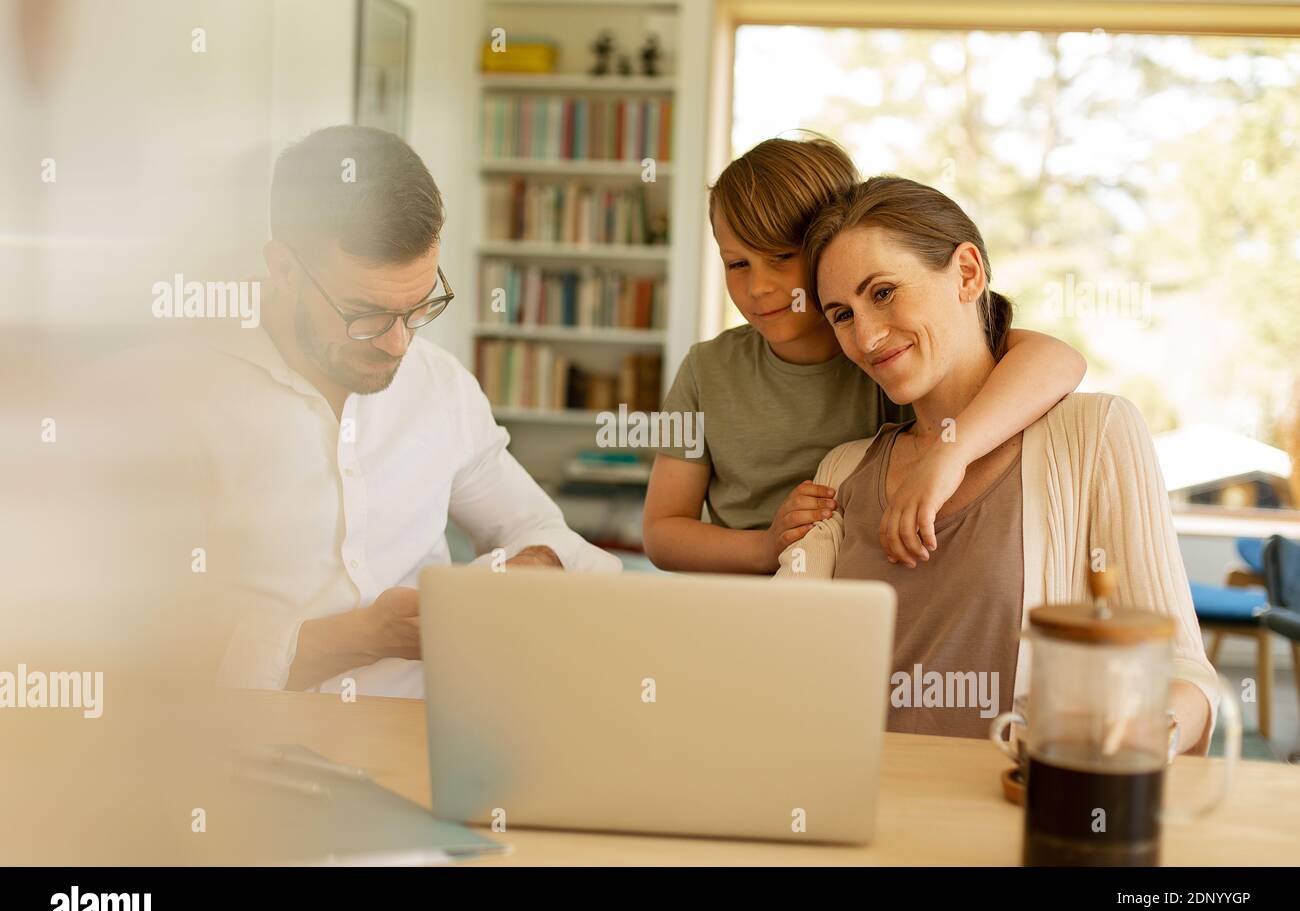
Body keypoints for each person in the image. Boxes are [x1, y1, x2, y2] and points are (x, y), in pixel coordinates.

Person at [779, 175, 1218, 752]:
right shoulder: (842, 470)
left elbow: (1183, 672)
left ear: (967, 273)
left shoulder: (1094, 434)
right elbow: (783, 663)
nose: (866, 335)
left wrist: (1128, 744)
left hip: (1016, 817)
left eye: (883, 292)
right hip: (854, 813)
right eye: (841, 314)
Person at [195, 125, 619, 696]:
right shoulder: (180, 400)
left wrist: (533, 565)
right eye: (363, 313)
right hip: (247, 746)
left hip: (427, 732)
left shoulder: (439, 384)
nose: (399, 345)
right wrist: (359, 639)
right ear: (285, 270)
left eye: (419, 307)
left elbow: (539, 529)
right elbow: (145, 650)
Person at [642, 136, 1086, 574]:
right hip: (748, 603)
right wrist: (766, 547)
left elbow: (1059, 359)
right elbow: (662, 531)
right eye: (737, 264)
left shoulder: (888, 356)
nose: (757, 288)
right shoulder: (708, 368)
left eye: (781, 256)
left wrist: (951, 453)